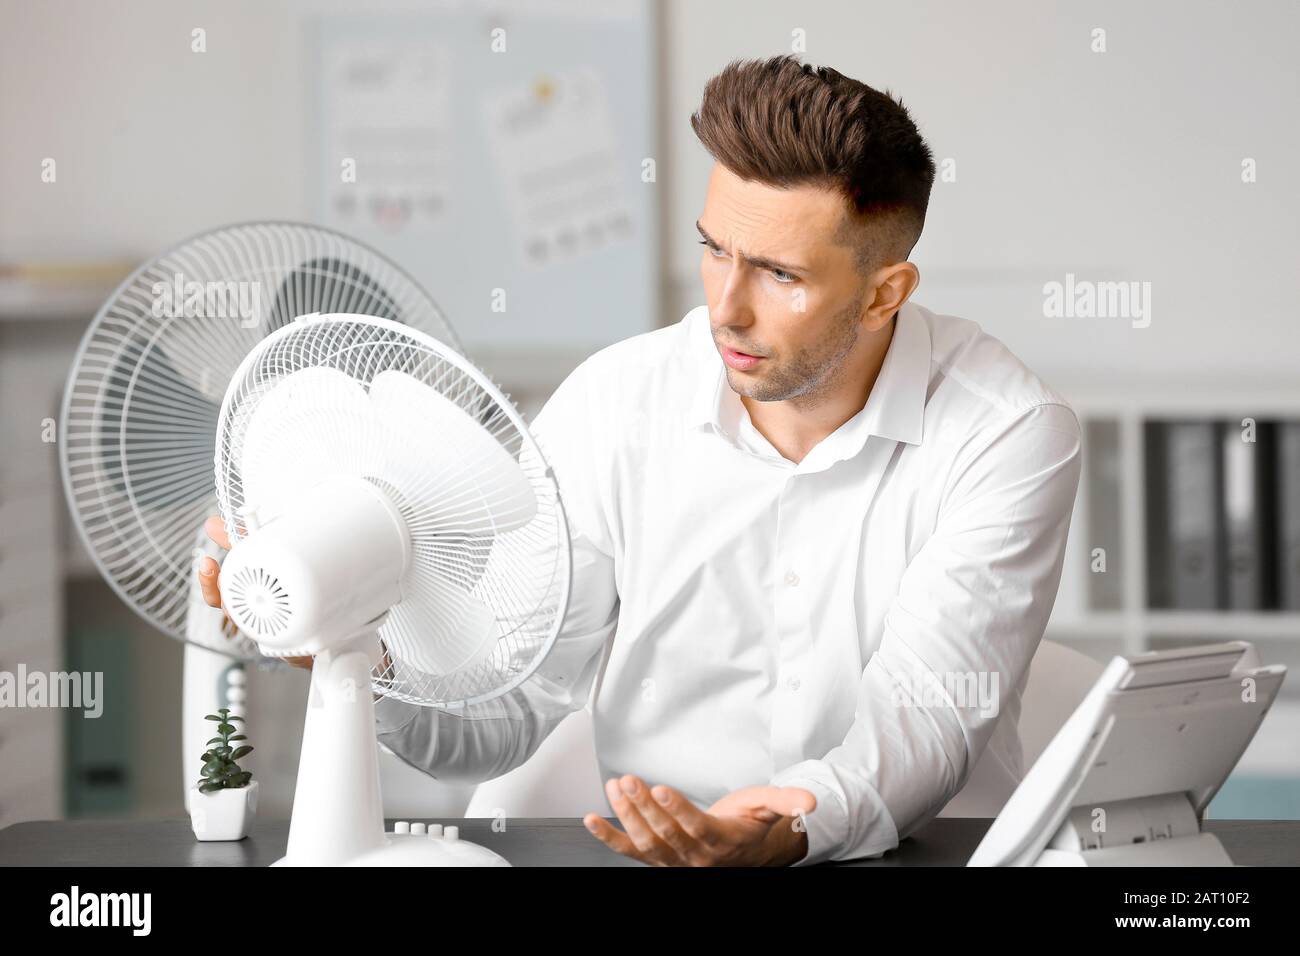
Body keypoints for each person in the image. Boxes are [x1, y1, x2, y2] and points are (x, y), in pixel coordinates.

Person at [199, 54, 1082, 866]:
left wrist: (776, 830)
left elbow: (920, 720)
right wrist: (353, 647)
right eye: (713, 250)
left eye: (780, 275)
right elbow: (499, 711)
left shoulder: (1008, 432)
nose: (725, 310)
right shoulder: (614, 403)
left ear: (885, 292)